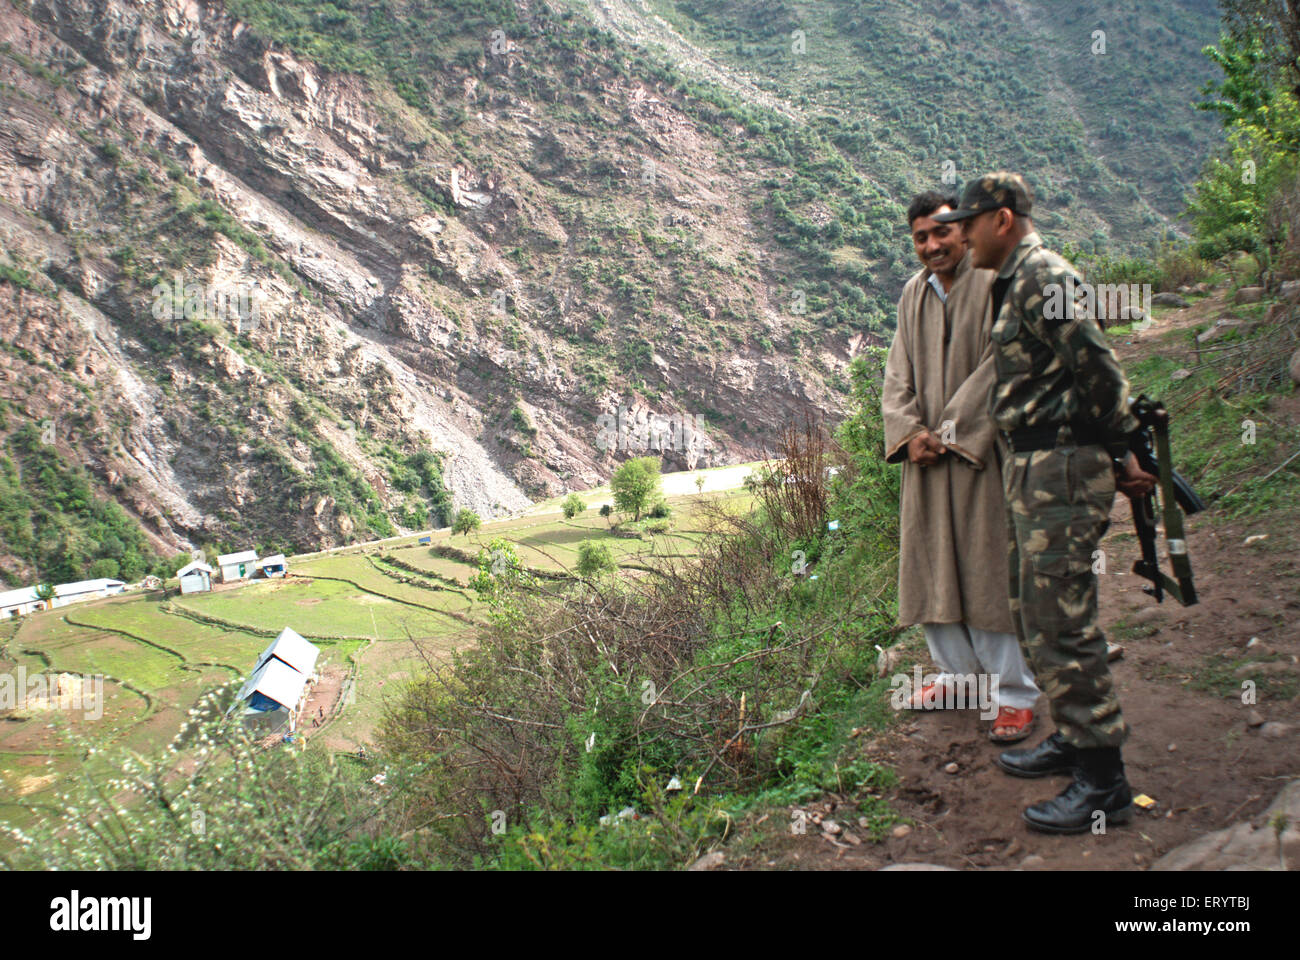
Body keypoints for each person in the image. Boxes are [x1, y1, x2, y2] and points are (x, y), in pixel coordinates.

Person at [933, 172, 1157, 834]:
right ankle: (1074, 739)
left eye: (969, 223)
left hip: (1060, 467)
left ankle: (1103, 780)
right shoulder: (1018, 278)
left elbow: (1097, 364)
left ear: (1002, 221)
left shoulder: (1044, 276)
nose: (962, 235)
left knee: (1062, 621)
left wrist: (1122, 450)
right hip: (1034, 466)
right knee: (1036, 613)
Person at [882, 191, 1041, 743]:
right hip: (924, 458)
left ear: (964, 230)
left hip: (981, 452)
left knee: (986, 569)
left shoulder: (994, 281)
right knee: (931, 568)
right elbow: (898, 372)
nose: (931, 246)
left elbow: (1003, 366)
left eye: (941, 233)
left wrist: (948, 432)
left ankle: (1015, 695)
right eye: (921, 238)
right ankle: (959, 678)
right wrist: (907, 433)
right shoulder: (912, 294)